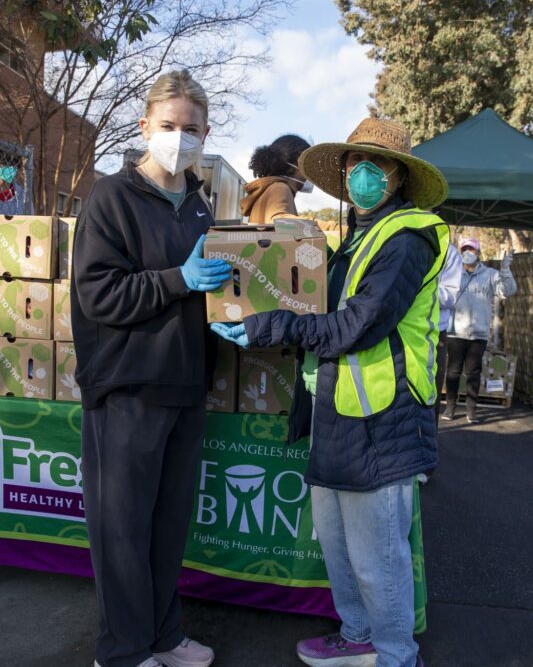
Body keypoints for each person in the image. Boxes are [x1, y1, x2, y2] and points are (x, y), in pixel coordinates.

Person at [212, 117, 449, 667]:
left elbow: (356, 326)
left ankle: (395, 655)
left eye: (378, 164)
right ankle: (359, 634)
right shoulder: (354, 238)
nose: (363, 173)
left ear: (399, 177)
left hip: (383, 418)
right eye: (354, 163)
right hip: (335, 408)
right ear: (342, 173)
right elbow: (316, 311)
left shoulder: (409, 236)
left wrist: (263, 326)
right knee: (339, 546)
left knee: (377, 557)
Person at [70, 70, 230, 667]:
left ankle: (164, 636)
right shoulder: (111, 198)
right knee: (122, 531)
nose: (179, 138)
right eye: (169, 126)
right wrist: (177, 280)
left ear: (206, 133)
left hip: (185, 384)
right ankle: (123, 650)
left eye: (191, 129)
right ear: (145, 127)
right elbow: (98, 295)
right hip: (128, 385)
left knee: (166, 527)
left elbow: (212, 292)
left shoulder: (198, 206)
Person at [442, 238, 516, 423]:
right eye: (465, 249)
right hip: (455, 332)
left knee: (473, 372)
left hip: (478, 333)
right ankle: (450, 406)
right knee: (453, 371)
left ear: (478, 253)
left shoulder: (490, 274)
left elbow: (507, 291)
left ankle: (471, 409)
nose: (468, 252)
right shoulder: (454, 273)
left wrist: (506, 269)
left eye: (472, 249)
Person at [240, 134, 312, 224]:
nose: (311, 171)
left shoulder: (270, 189)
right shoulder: (280, 188)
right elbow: (279, 220)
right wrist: (331, 227)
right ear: (296, 163)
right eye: (308, 163)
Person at [435, 239, 463, 424]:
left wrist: (416, 289)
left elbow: (450, 296)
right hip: (395, 332)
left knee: (429, 395)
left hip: (434, 334)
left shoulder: (448, 252)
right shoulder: (395, 240)